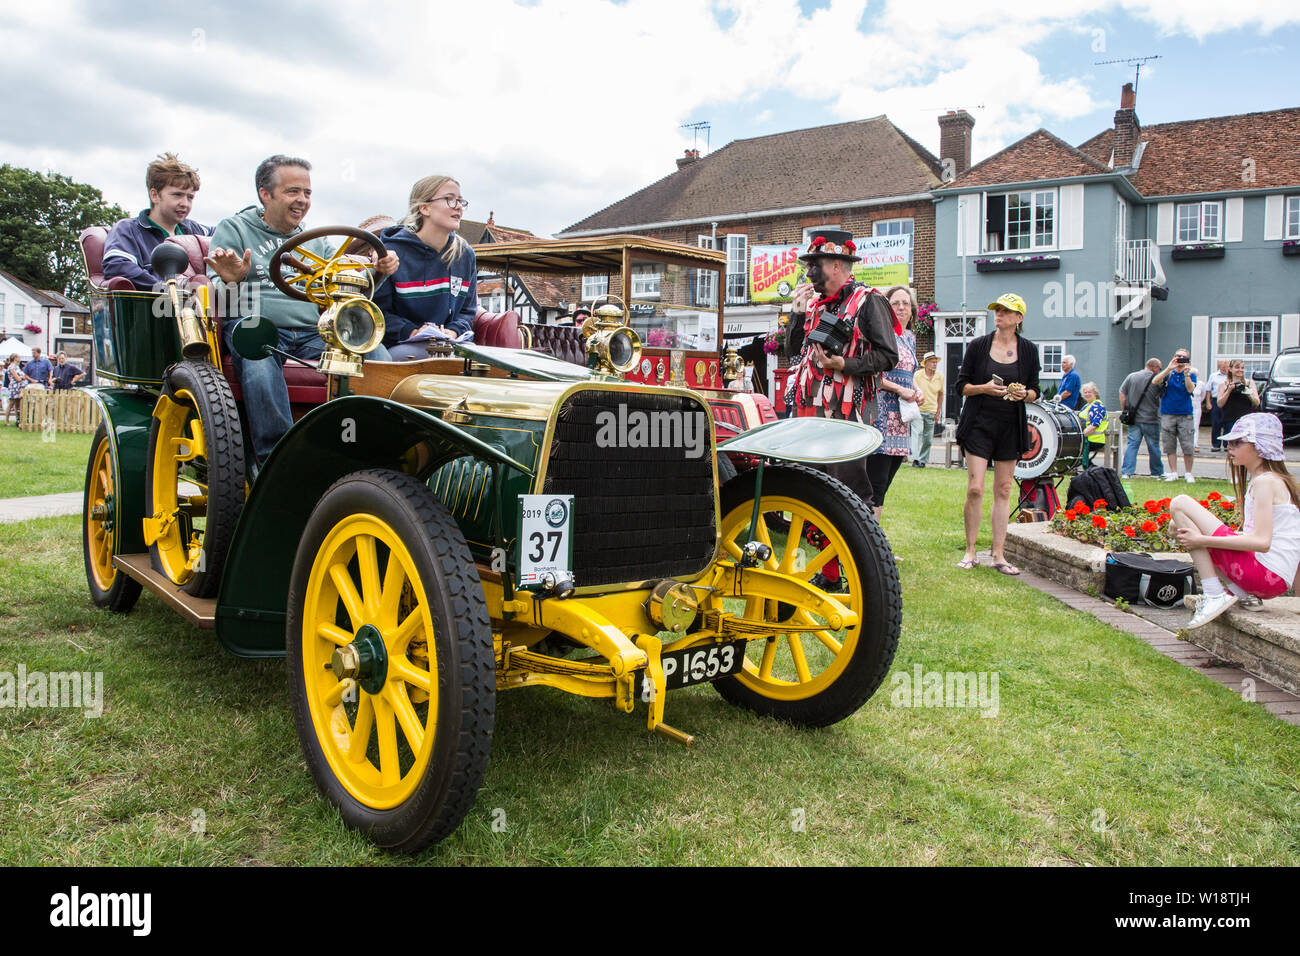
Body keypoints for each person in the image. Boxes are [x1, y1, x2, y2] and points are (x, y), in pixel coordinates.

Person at [206, 155, 399, 463]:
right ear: (265, 194)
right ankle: (279, 460)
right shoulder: (235, 229)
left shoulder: (316, 242)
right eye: (293, 191)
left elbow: (341, 280)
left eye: (307, 193)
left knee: (375, 352)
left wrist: (378, 269)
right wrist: (234, 278)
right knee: (256, 348)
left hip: (314, 332)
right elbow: (219, 289)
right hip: (260, 327)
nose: (302, 200)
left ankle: (378, 447)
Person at [785, 229, 898, 588]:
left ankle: (861, 574)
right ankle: (829, 573)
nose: (808, 273)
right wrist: (796, 314)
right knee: (812, 490)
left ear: (837, 264)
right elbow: (793, 351)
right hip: (810, 409)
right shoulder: (815, 304)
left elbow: (888, 356)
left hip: (848, 414)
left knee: (848, 492)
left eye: (813, 265)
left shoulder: (870, 301)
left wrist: (843, 366)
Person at [1172, 413, 1300, 628]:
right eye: (1230, 442)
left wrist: (1203, 540)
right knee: (1177, 524)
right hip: (1270, 579)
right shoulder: (1270, 481)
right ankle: (1240, 593)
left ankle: (1214, 594)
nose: (1230, 447)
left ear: (1261, 447)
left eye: (1238, 442)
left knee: (1180, 503)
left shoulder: (1265, 482)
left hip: (1265, 574)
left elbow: (1261, 542)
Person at [955, 293, 1040, 575]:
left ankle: (998, 554)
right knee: (975, 488)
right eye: (997, 310)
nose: (999, 314)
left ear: (1019, 318)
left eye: (1006, 311)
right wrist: (985, 388)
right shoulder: (979, 346)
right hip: (979, 422)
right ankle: (970, 551)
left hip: (1010, 426)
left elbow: (1036, 390)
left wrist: (1022, 393)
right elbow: (962, 386)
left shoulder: (1028, 350)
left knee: (1004, 489)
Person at [372, 175, 478, 361]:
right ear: (424, 207)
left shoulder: (465, 254)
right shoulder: (392, 253)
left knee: (479, 362)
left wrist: (453, 332)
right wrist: (412, 331)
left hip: (451, 344)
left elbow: (467, 312)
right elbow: (378, 312)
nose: (459, 206)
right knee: (439, 361)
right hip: (402, 343)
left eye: (460, 200)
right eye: (450, 199)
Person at [103, 153, 212, 290]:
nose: (185, 203)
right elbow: (117, 266)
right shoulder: (127, 230)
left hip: (200, 308)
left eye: (190, 197)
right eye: (177, 195)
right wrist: (165, 290)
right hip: (153, 308)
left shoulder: (195, 230)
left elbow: (224, 235)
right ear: (154, 195)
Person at [867, 285, 922, 517]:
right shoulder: (879, 335)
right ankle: (870, 545)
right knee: (875, 483)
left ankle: (875, 541)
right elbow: (871, 375)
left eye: (905, 303)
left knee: (885, 484)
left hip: (901, 418)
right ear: (886, 308)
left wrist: (916, 389)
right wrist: (900, 389)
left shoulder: (909, 337)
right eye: (895, 303)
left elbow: (910, 372)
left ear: (912, 310)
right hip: (881, 414)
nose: (901, 307)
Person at [1153, 347, 1197, 483]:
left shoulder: (1191, 373)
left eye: (1183, 357)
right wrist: (1169, 368)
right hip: (1168, 413)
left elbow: (1190, 389)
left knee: (1187, 445)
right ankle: (1173, 472)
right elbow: (1155, 382)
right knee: (1169, 445)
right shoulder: (1168, 373)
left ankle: (1188, 473)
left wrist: (1187, 373)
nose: (1180, 360)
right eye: (1178, 356)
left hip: (1185, 414)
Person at [1119, 357, 1164, 478]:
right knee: (1153, 446)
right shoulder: (1157, 379)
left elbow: (1122, 393)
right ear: (1154, 367)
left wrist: (1125, 410)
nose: (1159, 372)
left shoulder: (1132, 376)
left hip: (1134, 418)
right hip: (1152, 418)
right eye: (1159, 369)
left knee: (1132, 445)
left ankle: (1127, 472)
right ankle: (1156, 472)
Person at [912, 351, 943, 468]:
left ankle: (923, 460)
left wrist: (938, 411)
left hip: (931, 410)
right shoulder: (917, 375)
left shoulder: (940, 376)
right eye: (932, 362)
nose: (935, 364)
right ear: (926, 363)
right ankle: (915, 459)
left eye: (936, 362)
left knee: (928, 439)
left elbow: (940, 395)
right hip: (918, 409)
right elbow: (913, 389)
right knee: (917, 434)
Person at [1217, 359, 1260, 437]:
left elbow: (1256, 403)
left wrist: (1247, 392)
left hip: (1246, 420)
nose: (1240, 370)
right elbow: (1219, 404)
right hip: (1230, 420)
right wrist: (1229, 390)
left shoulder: (1250, 383)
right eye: (1237, 367)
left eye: (1242, 368)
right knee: (1231, 446)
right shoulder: (1223, 385)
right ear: (1230, 369)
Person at [1077, 381, 1107, 468]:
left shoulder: (1097, 406)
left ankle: (1091, 469)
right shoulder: (1087, 406)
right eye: (1085, 392)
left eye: (1089, 392)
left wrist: (1080, 436)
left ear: (1095, 393)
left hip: (1094, 440)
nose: (1087, 394)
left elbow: (1094, 426)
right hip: (1086, 438)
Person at [1207, 358, 1229, 451]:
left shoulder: (1230, 377)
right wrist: (1208, 402)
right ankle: (1216, 445)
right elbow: (1208, 389)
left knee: (1228, 423)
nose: (1224, 368)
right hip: (1216, 401)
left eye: (1226, 366)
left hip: (1228, 401)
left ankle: (1227, 444)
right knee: (1216, 423)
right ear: (1219, 366)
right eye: (1222, 366)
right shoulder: (1213, 376)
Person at [4, 355, 27, 425]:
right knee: (11, 403)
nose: (20, 358)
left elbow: (22, 376)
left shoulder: (17, 367)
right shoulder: (11, 367)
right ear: (15, 358)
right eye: (18, 357)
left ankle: (17, 420)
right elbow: (17, 378)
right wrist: (22, 377)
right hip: (14, 387)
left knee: (18, 404)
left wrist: (22, 377)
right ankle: (7, 421)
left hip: (19, 387)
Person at [1190, 367, 1206, 451]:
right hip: (1188, 404)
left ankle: (1194, 444)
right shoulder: (1186, 382)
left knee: (1195, 425)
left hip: (1197, 405)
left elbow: (1203, 396)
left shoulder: (1201, 384)